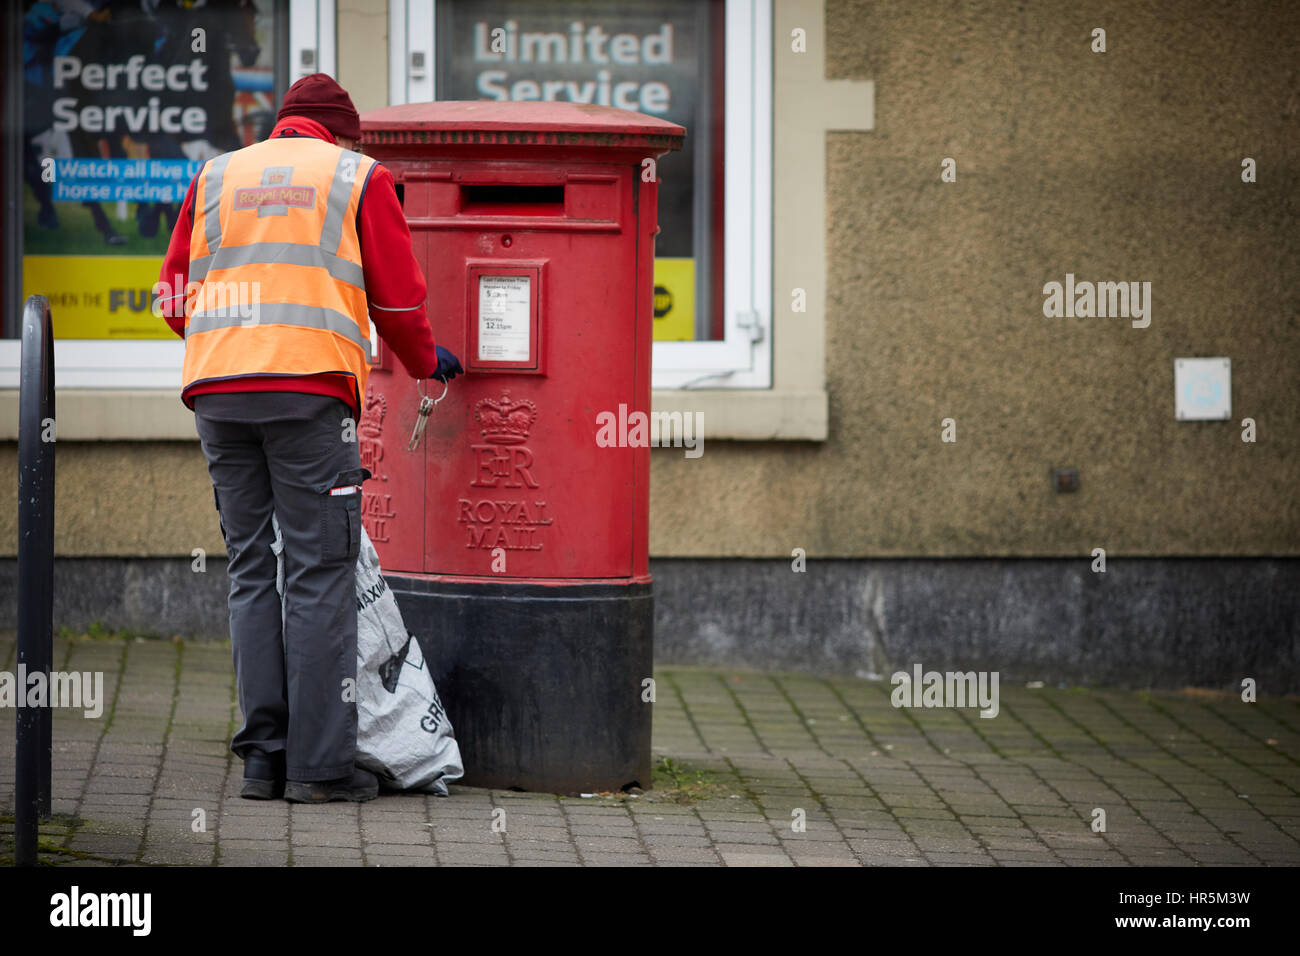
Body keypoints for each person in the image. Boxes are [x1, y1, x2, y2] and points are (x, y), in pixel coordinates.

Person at [156, 73, 462, 803]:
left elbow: (172, 297)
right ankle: (319, 768)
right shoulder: (358, 176)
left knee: (250, 569)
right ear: (342, 132)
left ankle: (263, 757)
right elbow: (396, 297)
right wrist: (428, 361)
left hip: (218, 393)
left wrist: (231, 342)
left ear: (284, 125)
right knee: (319, 573)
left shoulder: (218, 173)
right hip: (307, 394)